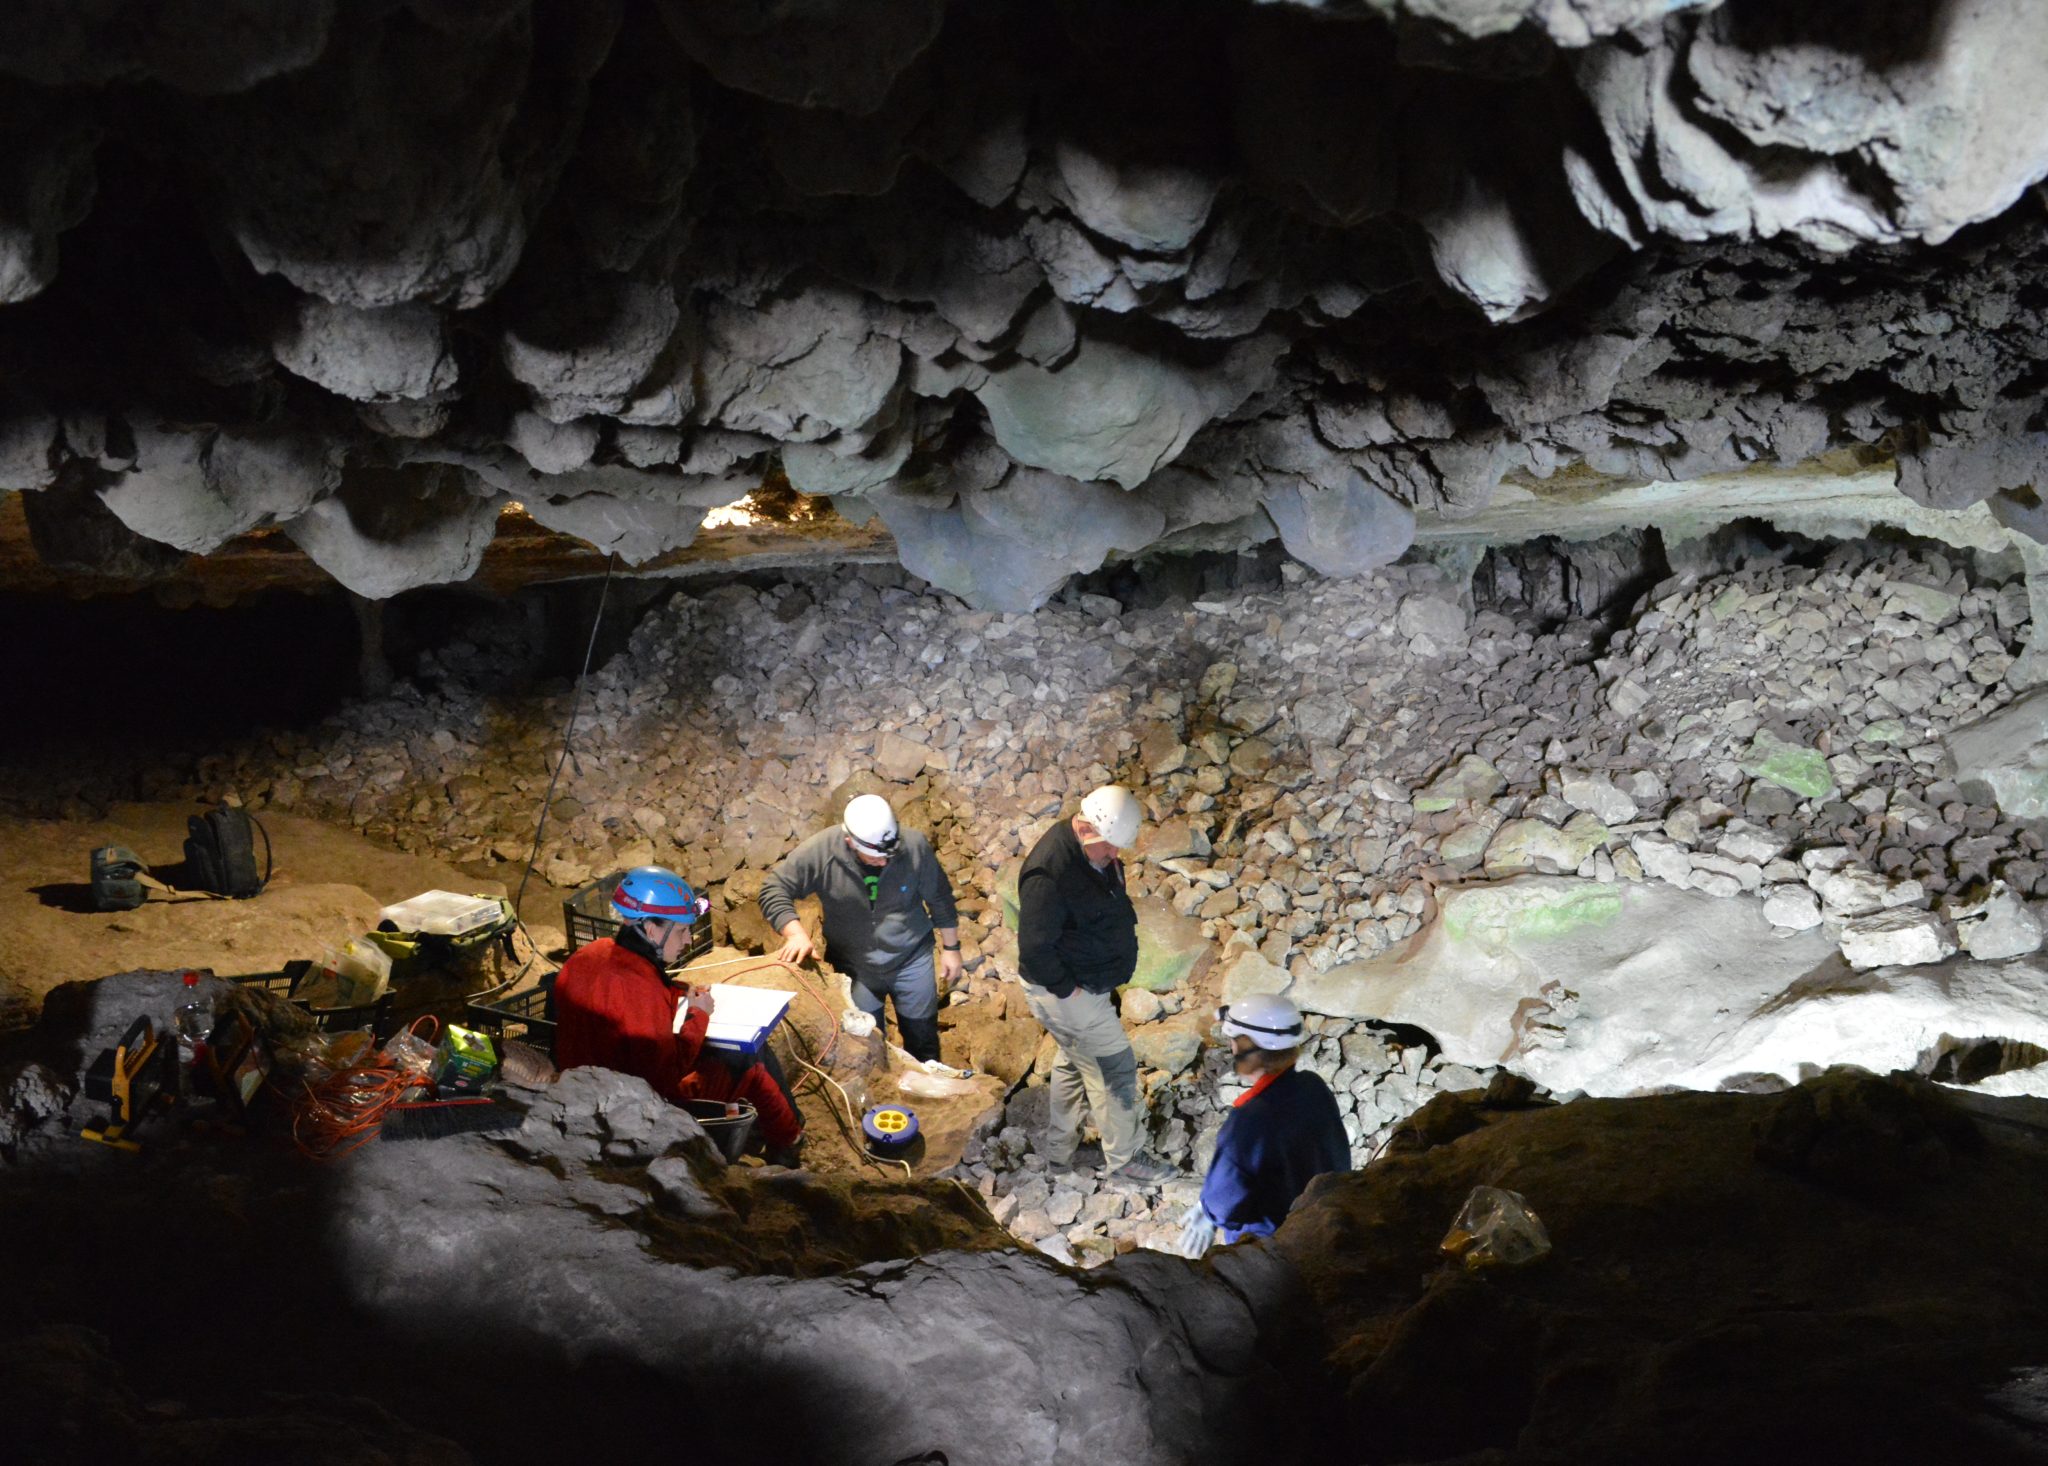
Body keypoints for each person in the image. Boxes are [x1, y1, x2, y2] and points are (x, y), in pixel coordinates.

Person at [555, 865, 804, 1163]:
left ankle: (772, 1130)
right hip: (639, 1107)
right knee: (750, 1059)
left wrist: (679, 993)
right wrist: (698, 1016)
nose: (688, 940)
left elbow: (624, 996)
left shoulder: (589, 954)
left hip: (584, 1086)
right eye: (682, 931)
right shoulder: (640, 990)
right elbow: (665, 1076)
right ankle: (788, 1142)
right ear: (651, 930)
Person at [1016, 784, 1176, 1187]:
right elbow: (1034, 948)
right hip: (1068, 993)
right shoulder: (1049, 874)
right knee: (1114, 1067)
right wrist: (1068, 991)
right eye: (1109, 846)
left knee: (1074, 1060)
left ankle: (1059, 1153)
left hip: (1086, 987)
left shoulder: (1092, 851)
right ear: (1087, 830)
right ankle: (1126, 1160)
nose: (1115, 855)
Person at [760, 793, 961, 1064]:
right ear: (850, 842)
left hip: (911, 958)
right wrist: (794, 933)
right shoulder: (822, 851)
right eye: (875, 857)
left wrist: (951, 948)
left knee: (923, 1038)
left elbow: (940, 897)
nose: (884, 862)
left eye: (888, 855)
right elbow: (774, 888)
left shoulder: (913, 846)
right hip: (855, 966)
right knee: (866, 1044)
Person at [1178, 993, 1350, 1257]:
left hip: (1272, 1246)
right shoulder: (1313, 1086)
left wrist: (1208, 1211)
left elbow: (1225, 1199)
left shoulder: (1248, 1121)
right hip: (1324, 1224)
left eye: (1234, 1041)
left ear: (1247, 1048)